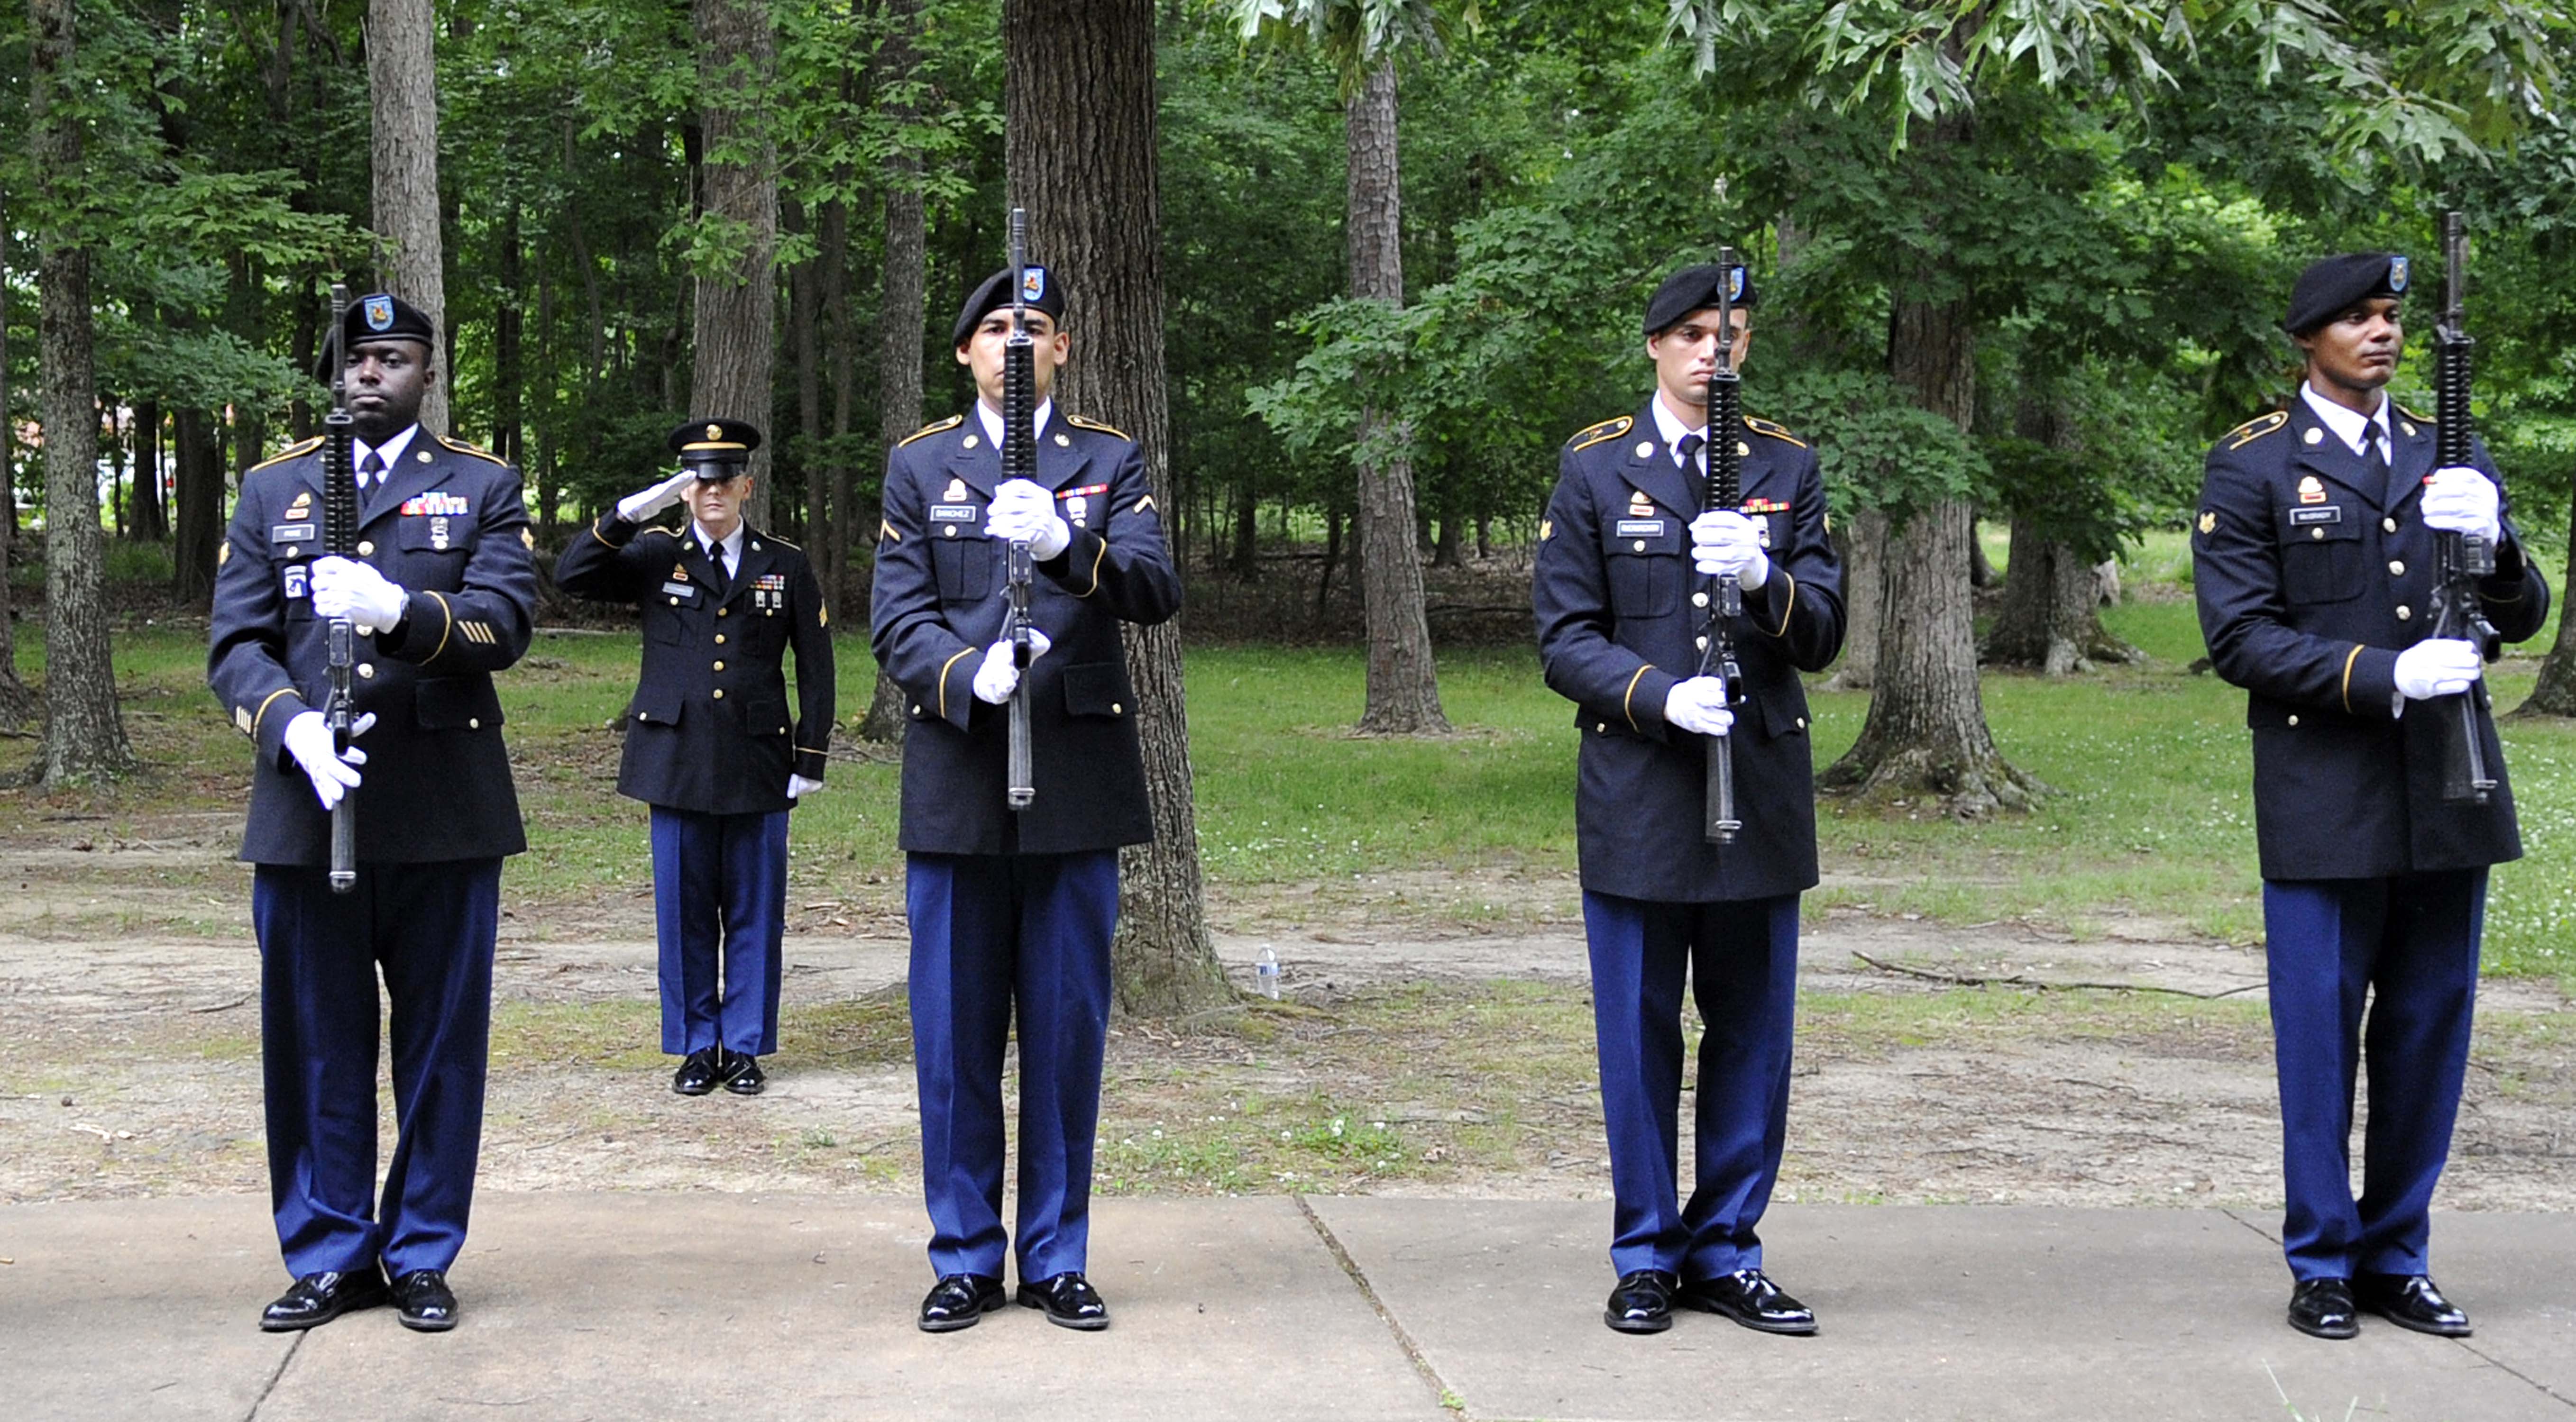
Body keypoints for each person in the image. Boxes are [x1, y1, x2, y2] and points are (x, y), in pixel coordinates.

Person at [2193, 252, 2551, 1341]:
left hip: (2447, 783)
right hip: (2323, 791)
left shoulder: (2447, 452)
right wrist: (2384, 674)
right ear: (2307, 339)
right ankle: (2321, 1261)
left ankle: (2397, 1255)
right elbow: (2239, 638)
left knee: (2426, 1031)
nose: (2381, 332)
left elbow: (2522, 611)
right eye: (2356, 317)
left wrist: (2493, 545)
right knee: (2317, 1039)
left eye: (2390, 315)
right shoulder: (2252, 465)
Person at [207, 291, 536, 1333]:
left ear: (427, 373)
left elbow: (505, 622)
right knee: (316, 1043)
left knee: (441, 1046)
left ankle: (422, 1251)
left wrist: (401, 613)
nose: (369, 373)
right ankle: (330, 1251)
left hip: (442, 806)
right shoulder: (275, 488)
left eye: (392, 357)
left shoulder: (480, 484)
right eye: (355, 357)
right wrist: (291, 726)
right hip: (308, 806)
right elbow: (235, 644)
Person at [1531, 261, 1846, 1337]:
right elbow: (1564, 639)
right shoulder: (1595, 468)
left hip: (1756, 787)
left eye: (1733, 335)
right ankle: (1645, 1253)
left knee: (1752, 1034)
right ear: (1657, 346)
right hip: (1640, 787)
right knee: (1637, 1036)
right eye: (1697, 335)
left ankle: (1727, 1249)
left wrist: (1763, 577)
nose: (1716, 352)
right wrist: (1658, 697)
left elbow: (1823, 631)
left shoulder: (1786, 467)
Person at [870, 259, 1180, 1333]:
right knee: (954, 1039)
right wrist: (968, 677)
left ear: (1061, 350)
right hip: (958, 780)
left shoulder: (1108, 459)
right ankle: (964, 1255)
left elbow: (1154, 588)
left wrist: (1064, 542)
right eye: (995, 326)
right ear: (964, 352)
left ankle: (1055, 1255)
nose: (1015, 343)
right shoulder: (920, 464)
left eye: (1034, 327)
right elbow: (896, 618)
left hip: (1074, 782)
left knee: (1063, 1040)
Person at [554, 419, 835, 1098]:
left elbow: (818, 665)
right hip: (674, 756)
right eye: (700, 482)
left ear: (746, 486)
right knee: (683, 915)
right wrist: (626, 515)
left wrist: (810, 754)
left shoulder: (784, 562)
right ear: (685, 492)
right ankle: (696, 1044)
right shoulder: (656, 555)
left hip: (758, 759)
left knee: (755, 913)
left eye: (725, 480)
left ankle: (744, 1045)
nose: (714, 492)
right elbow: (572, 575)